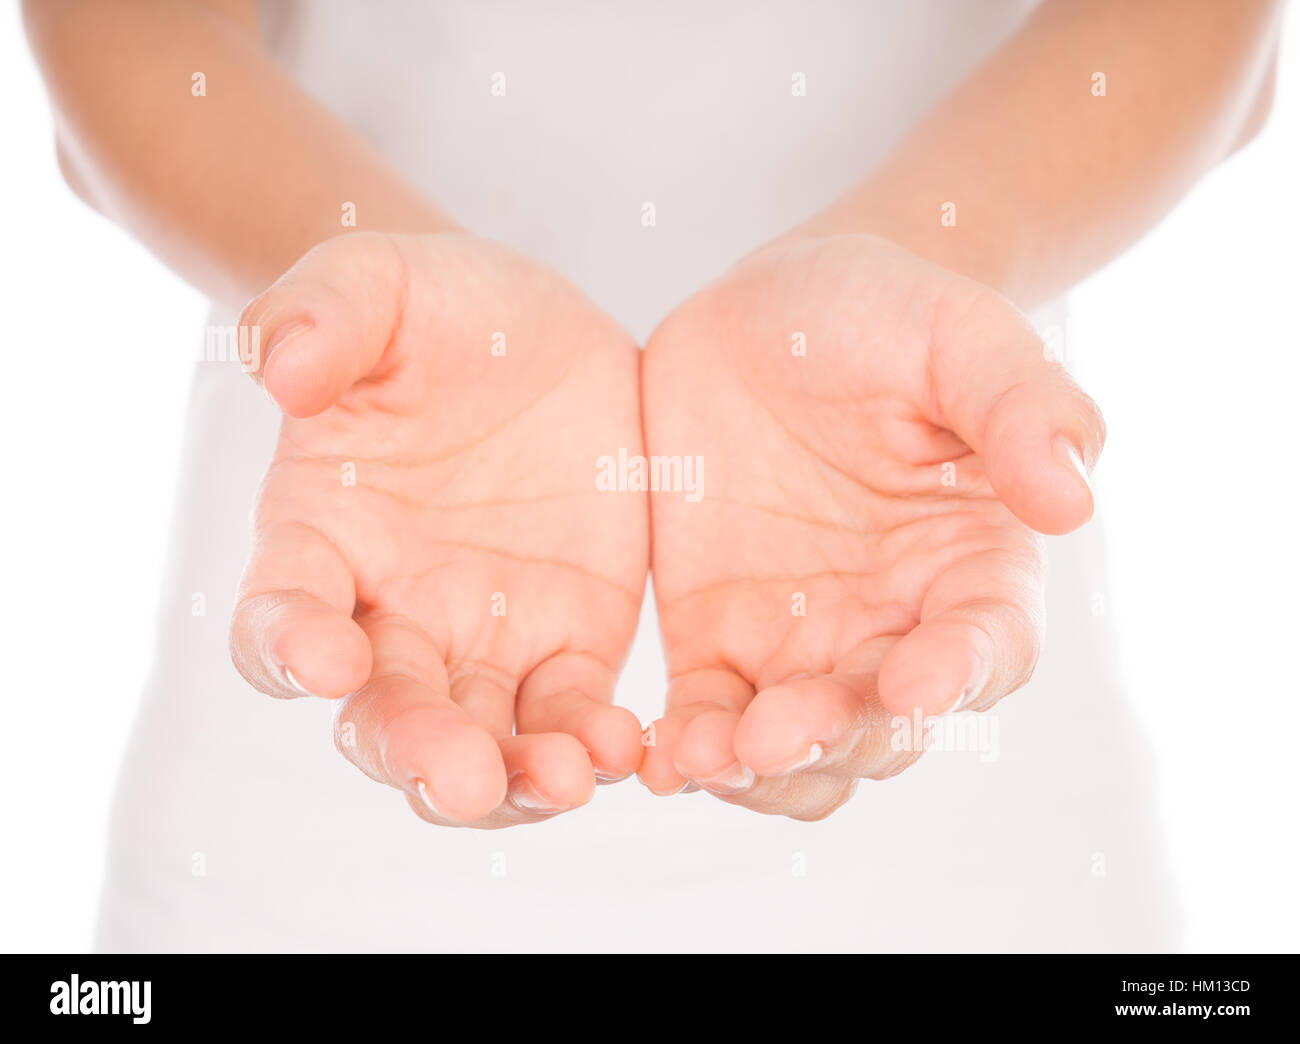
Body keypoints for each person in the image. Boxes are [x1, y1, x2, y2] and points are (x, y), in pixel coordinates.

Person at [24, 0, 1282, 951]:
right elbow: (124, 29)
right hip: (343, 703)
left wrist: (911, 258)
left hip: (955, 765)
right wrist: (365, 282)